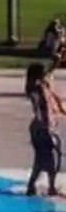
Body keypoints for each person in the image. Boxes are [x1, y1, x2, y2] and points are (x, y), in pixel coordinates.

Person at [25, 62, 65, 196]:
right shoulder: (40, 89)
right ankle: (49, 187)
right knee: (50, 158)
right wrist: (49, 128)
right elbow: (46, 109)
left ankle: (35, 185)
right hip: (43, 128)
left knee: (42, 158)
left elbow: (54, 103)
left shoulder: (35, 88)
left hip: (40, 128)